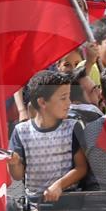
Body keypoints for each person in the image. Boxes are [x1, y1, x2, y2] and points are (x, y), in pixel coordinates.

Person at [8, 70, 89, 201]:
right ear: (42, 102)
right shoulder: (21, 131)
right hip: (35, 203)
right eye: (63, 98)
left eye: (68, 97)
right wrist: (13, 163)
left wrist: (59, 186)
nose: (69, 103)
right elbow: (17, 176)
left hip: (68, 199)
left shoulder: (72, 127)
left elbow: (81, 168)